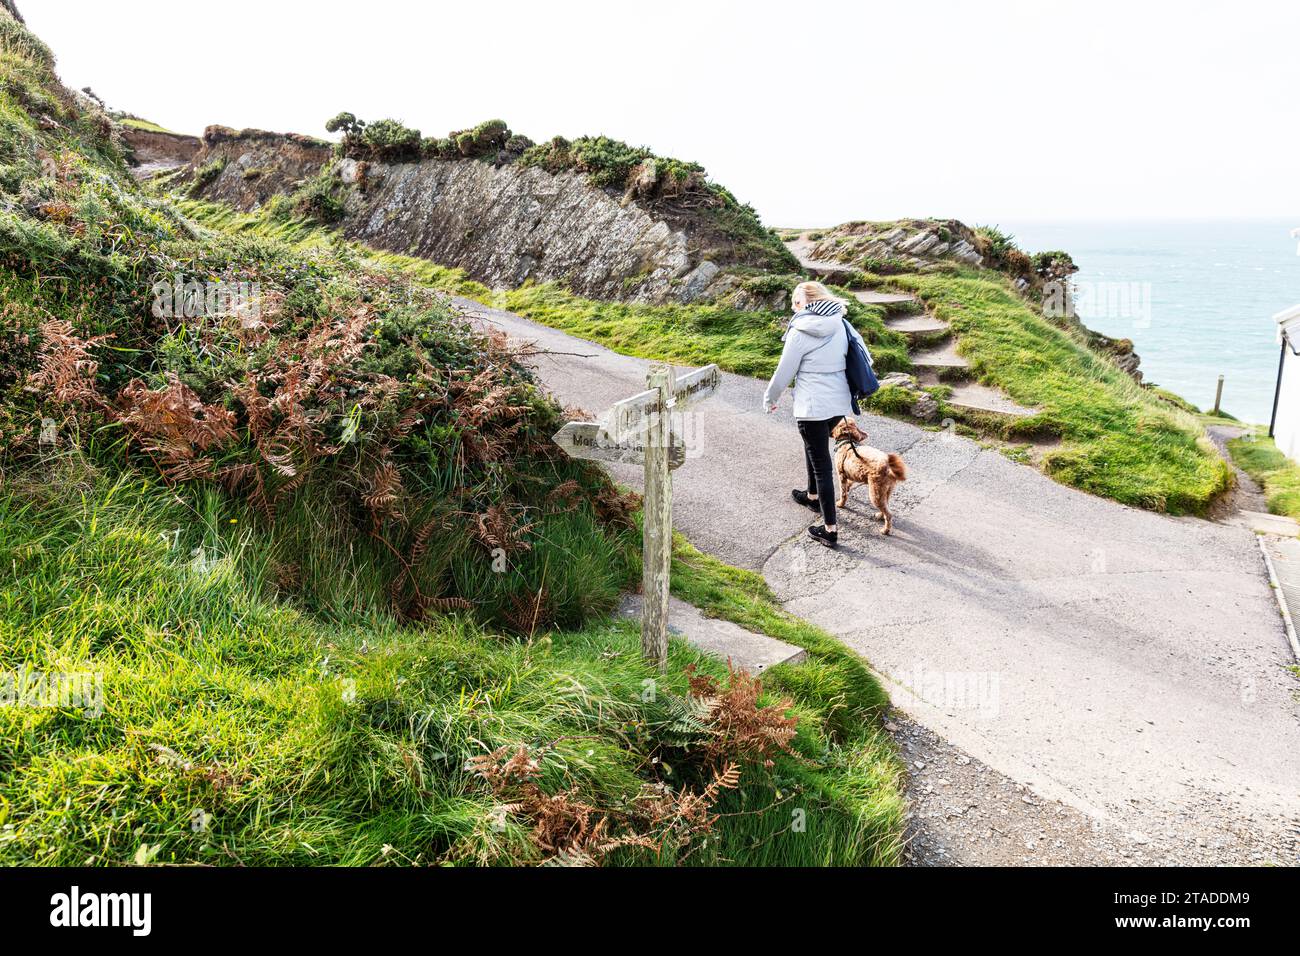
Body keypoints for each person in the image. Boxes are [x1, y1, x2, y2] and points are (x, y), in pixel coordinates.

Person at [763, 280, 871, 549]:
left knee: (821, 462)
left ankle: (830, 529)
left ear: (808, 304)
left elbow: (784, 371)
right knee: (815, 450)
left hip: (811, 406)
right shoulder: (842, 324)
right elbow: (865, 357)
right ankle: (812, 496)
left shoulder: (799, 330)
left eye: (796, 303)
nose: (793, 307)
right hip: (837, 404)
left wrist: (770, 398)